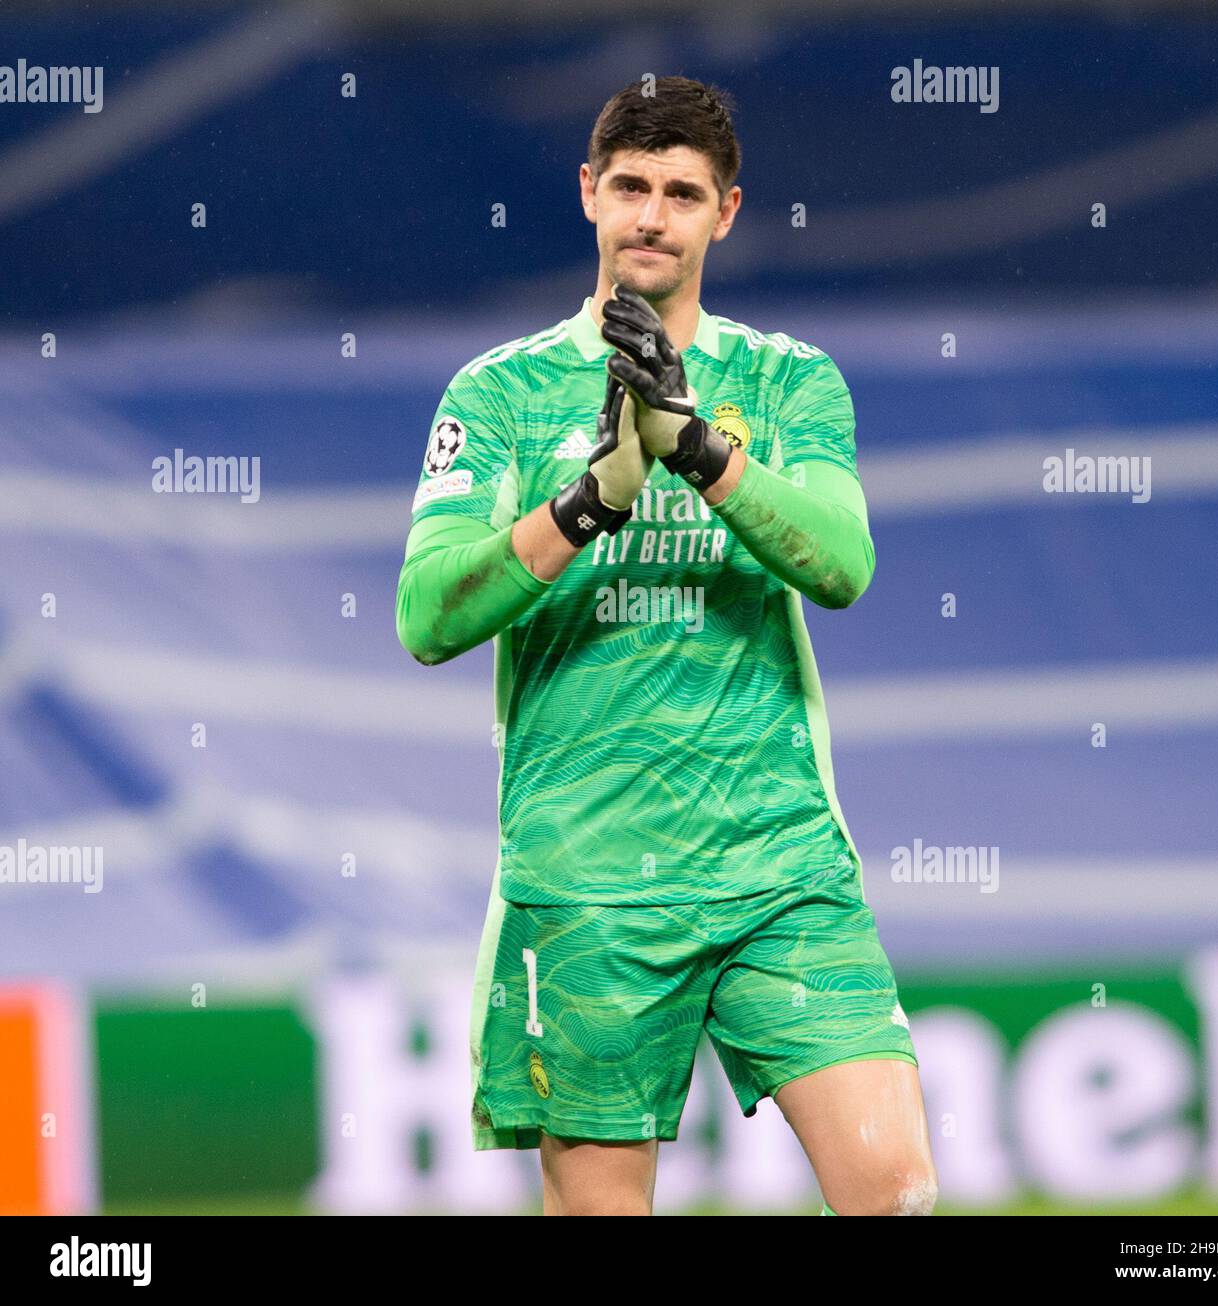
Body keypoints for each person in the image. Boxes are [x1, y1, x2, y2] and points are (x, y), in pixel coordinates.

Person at [395, 76, 937, 1216]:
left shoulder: (789, 381)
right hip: (584, 881)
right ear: (589, 194)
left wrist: (697, 451)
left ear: (725, 212)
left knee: (892, 1190)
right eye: (631, 187)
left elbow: (843, 566)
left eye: (681, 193)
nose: (652, 215)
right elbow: (427, 616)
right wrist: (591, 500)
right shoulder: (495, 392)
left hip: (776, 868)